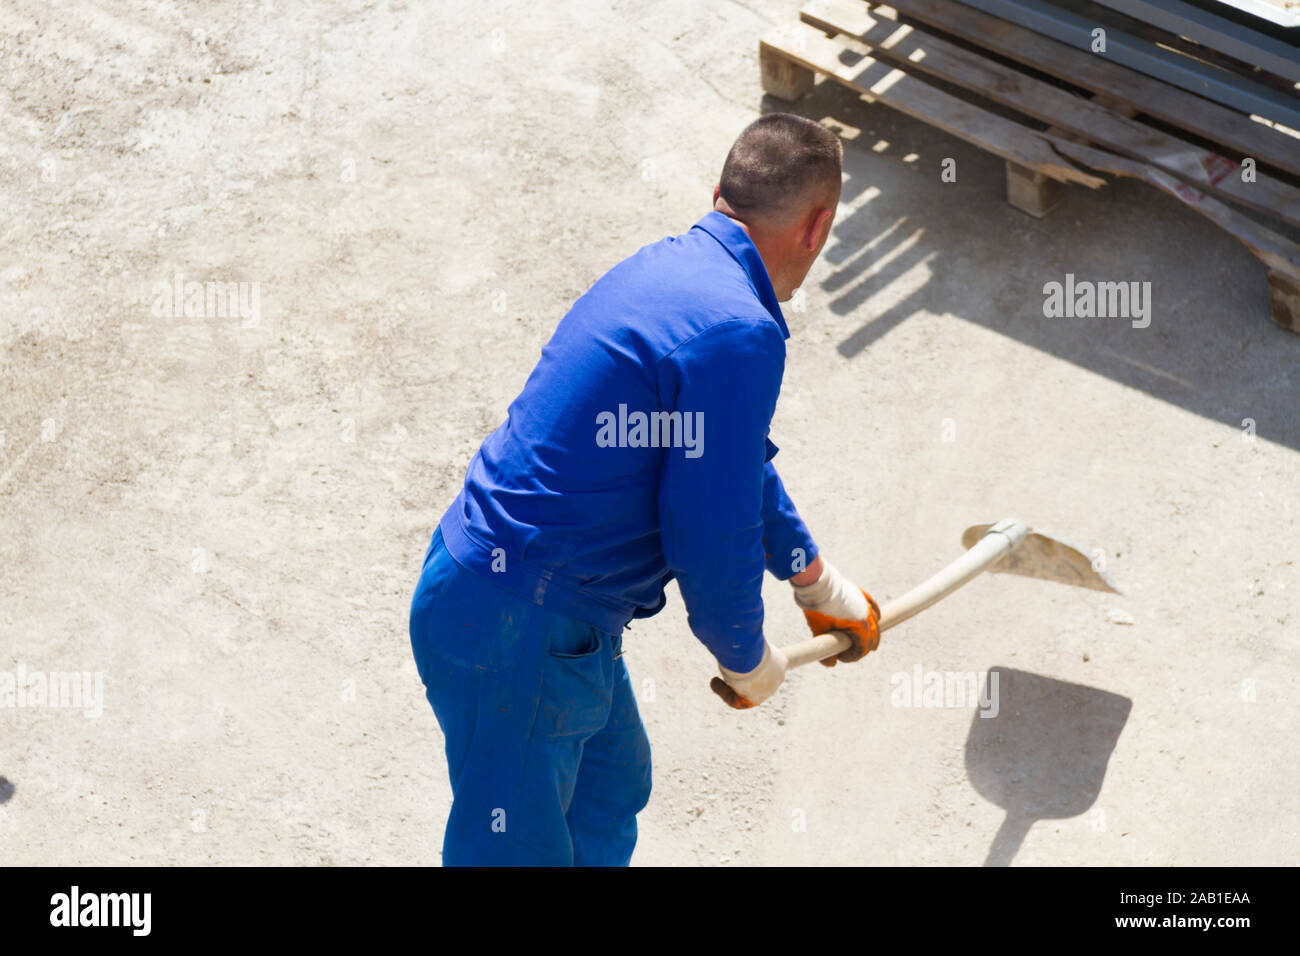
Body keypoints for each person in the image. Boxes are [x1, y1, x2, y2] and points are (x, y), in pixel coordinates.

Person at [409, 112, 881, 866]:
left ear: (719, 194)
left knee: (609, 790)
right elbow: (709, 525)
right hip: (521, 624)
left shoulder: (671, 271)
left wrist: (816, 581)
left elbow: (728, 465)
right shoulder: (738, 331)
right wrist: (743, 652)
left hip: (512, 607)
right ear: (818, 226)